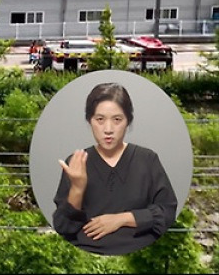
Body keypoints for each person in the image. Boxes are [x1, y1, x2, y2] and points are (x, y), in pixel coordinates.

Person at [53, 82, 176, 255]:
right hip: (87, 253)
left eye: (117, 120)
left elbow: (167, 212)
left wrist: (123, 219)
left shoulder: (147, 159)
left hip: (139, 251)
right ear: (89, 121)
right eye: (100, 119)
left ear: (128, 121)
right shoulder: (77, 162)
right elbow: (63, 227)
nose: (108, 129)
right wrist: (77, 188)